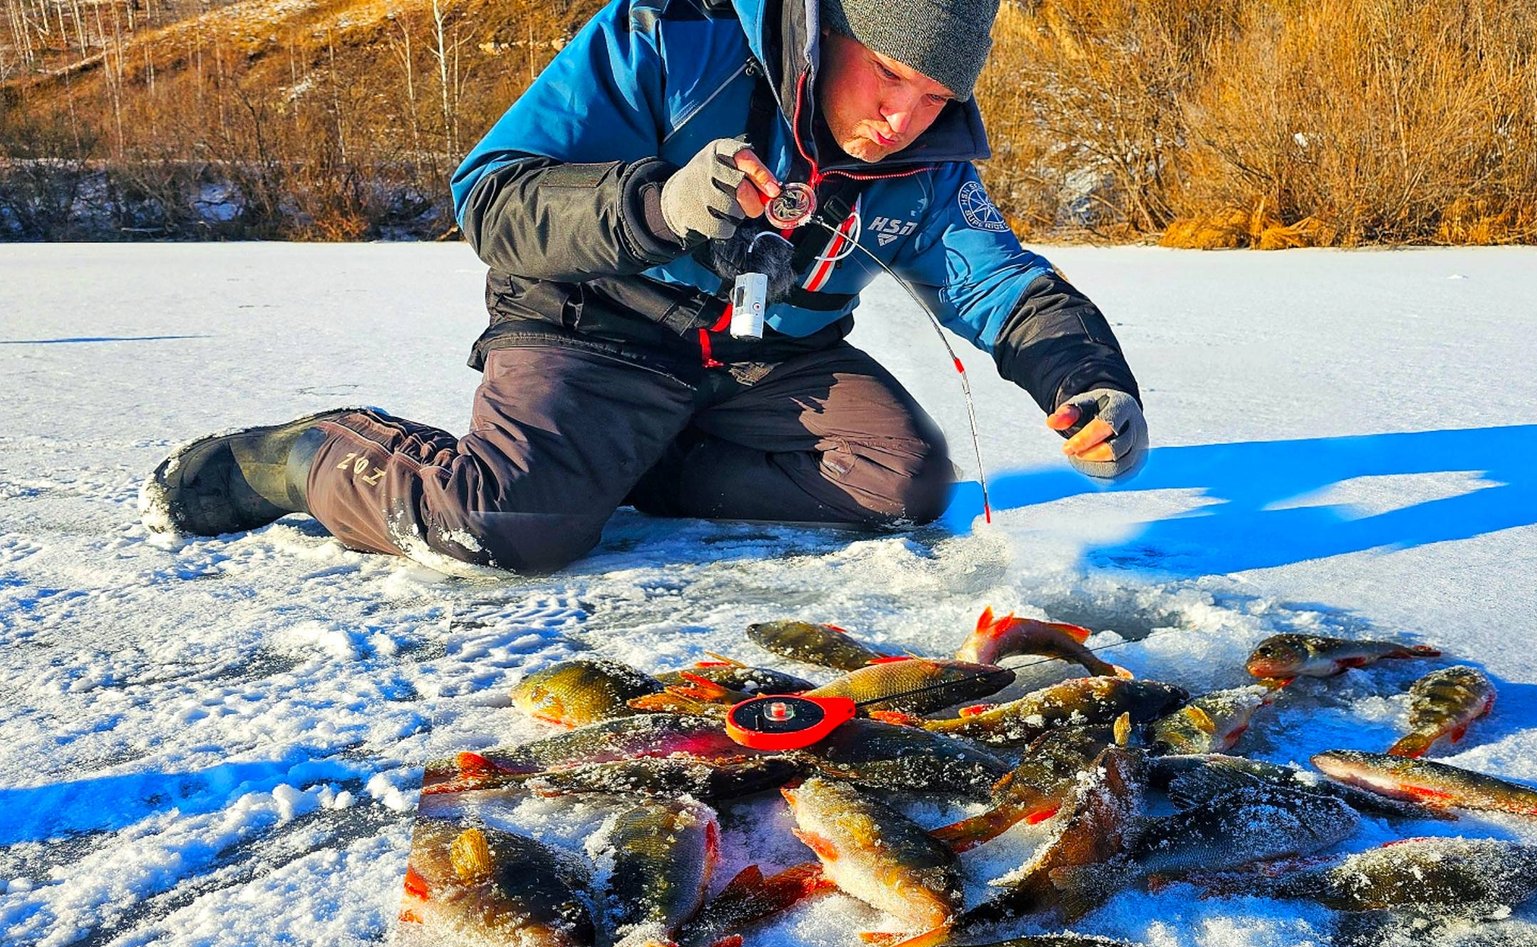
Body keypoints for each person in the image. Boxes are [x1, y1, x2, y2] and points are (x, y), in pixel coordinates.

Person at [141, 0, 1147, 574]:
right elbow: (493, 200)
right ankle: (292, 458)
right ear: (831, 26)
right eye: (888, 74)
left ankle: (626, 467)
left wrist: (1089, 387)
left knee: (902, 481)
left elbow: (1004, 284)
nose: (900, 118)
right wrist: (659, 205)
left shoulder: (926, 163)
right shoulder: (674, 35)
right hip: (596, 325)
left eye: (934, 98)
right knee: (498, 523)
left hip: (766, 358)